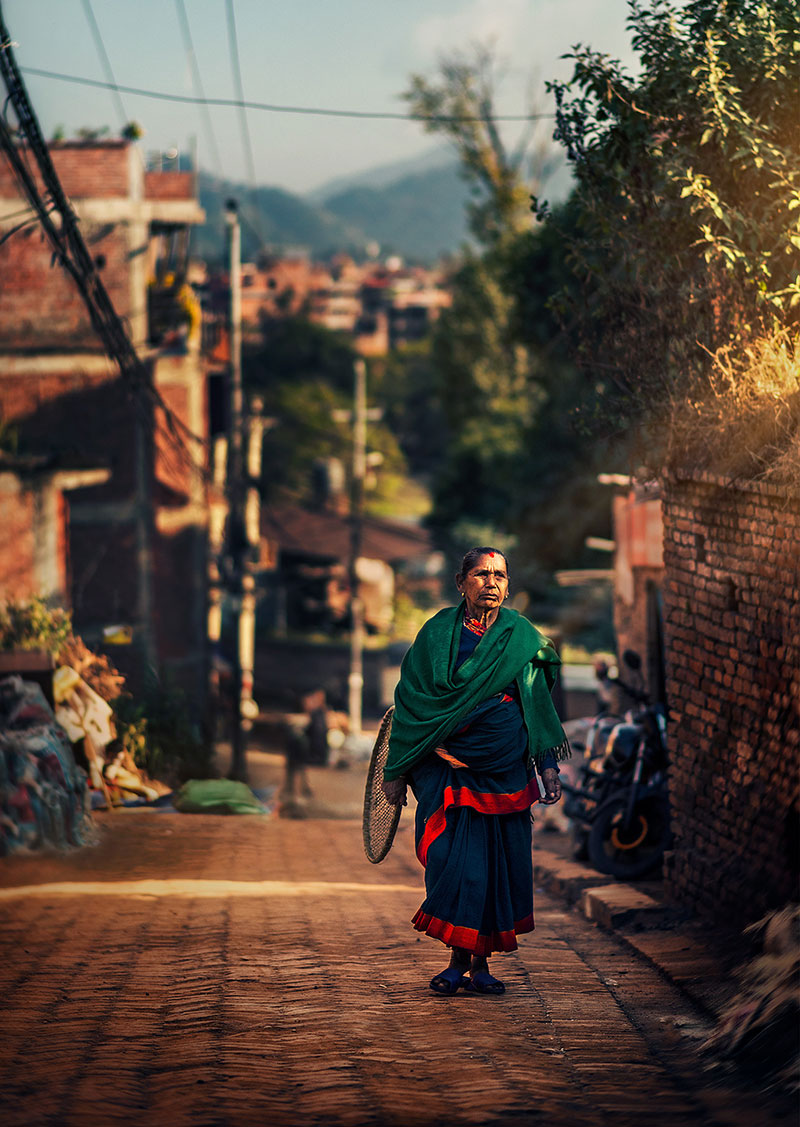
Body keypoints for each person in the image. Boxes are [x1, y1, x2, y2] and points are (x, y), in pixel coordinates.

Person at [381, 547, 568, 995]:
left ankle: (471, 965)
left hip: (502, 769)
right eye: (482, 574)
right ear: (461, 581)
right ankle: (462, 960)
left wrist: (547, 766)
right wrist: (397, 768)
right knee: (454, 863)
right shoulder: (435, 634)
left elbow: (537, 704)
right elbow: (412, 703)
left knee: (493, 869)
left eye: (500, 575)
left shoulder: (521, 637)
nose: (492, 582)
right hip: (445, 770)